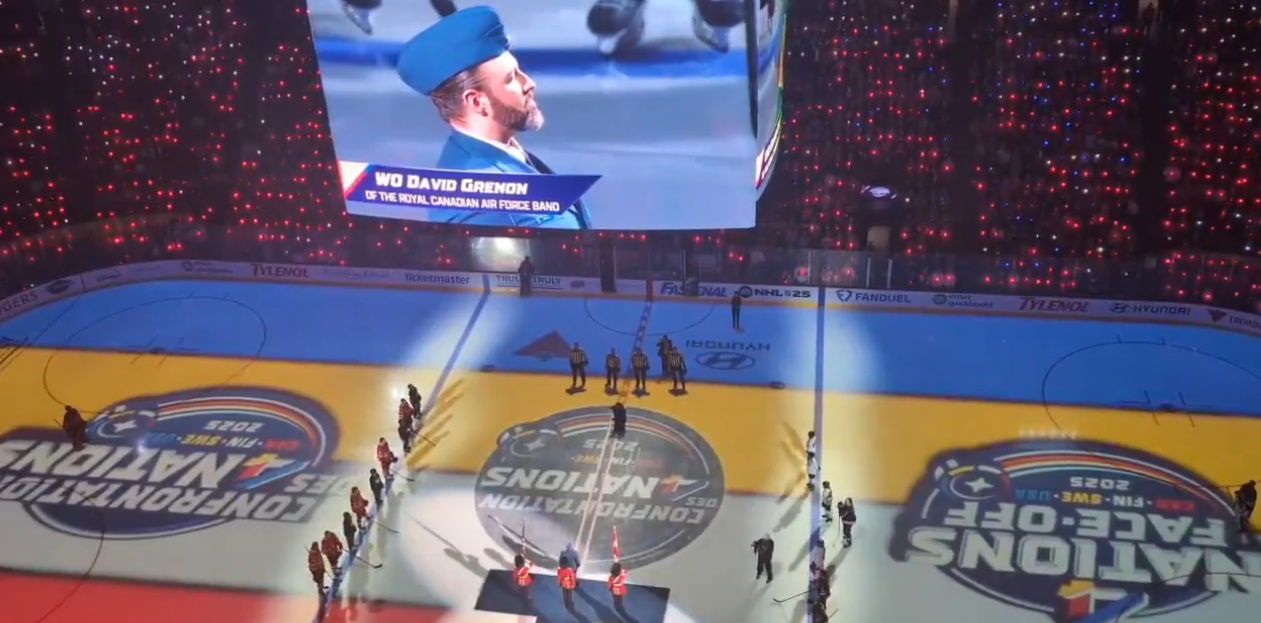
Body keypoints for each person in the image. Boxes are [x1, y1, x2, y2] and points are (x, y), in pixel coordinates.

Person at [395, 7, 592, 229]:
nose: (529, 83)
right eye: (511, 79)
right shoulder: (474, 202)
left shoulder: (507, 157)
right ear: (477, 102)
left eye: (520, 72)